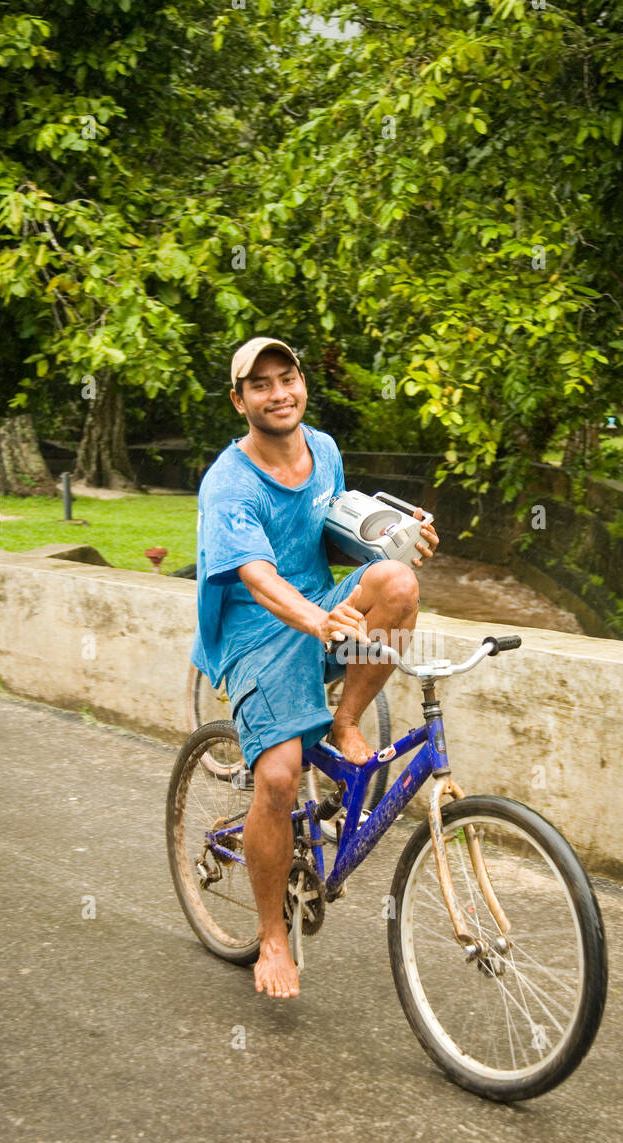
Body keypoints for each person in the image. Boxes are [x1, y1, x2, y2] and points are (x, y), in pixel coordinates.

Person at [191, 337, 440, 1000]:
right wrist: (316, 620)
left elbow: (331, 531)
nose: (280, 393)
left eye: (288, 377)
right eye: (262, 385)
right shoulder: (228, 484)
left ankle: (345, 718)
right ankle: (272, 937)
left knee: (398, 584)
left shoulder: (322, 450)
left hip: (320, 606)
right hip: (256, 629)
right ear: (240, 399)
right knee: (277, 775)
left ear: (301, 382)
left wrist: (398, 533)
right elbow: (258, 574)